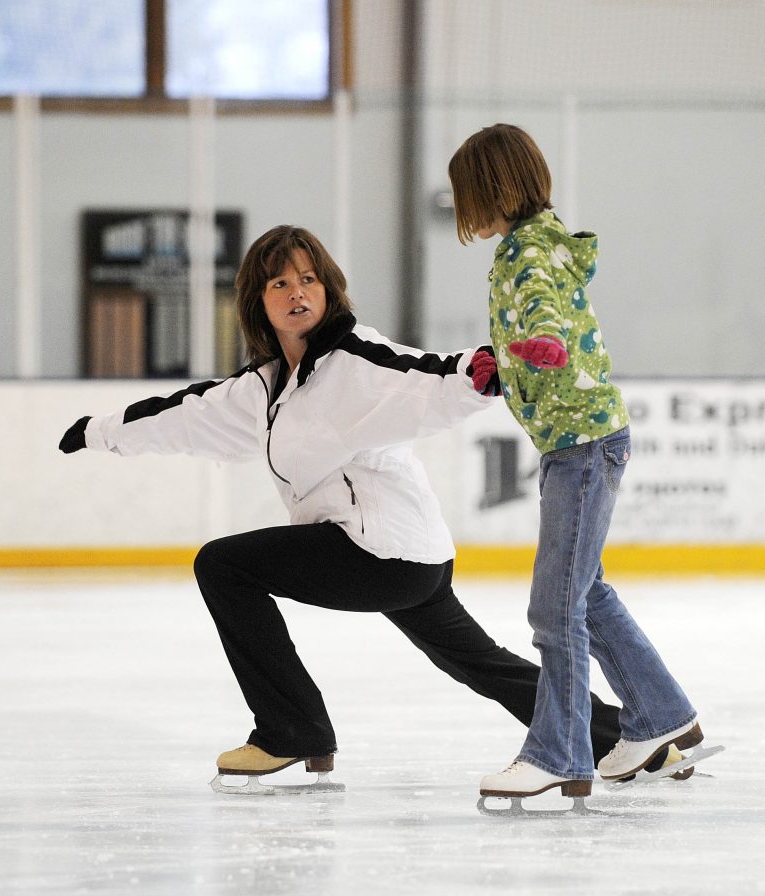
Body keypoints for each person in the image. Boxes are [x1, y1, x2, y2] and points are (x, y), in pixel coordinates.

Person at [59, 224, 625, 786]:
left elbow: (420, 373)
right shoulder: (266, 389)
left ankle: (292, 728)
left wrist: (479, 372)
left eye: (308, 279)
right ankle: (613, 736)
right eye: (279, 283)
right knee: (478, 662)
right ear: (259, 300)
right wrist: (98, 432)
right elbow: (186, 414)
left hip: (378, 550)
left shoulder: (353, 361)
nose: (296, 293)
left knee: (223, 566)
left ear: (328, 289)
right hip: (407, 555)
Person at [448, 124, 705, 803]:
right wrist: (507, 360)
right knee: (583, 591)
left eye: (466, 193)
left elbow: (543, 310)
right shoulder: (534, 244)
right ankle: (660, 715)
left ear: (490, 188)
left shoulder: (530, 252)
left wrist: (538, 342)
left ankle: (559, 750)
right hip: (581, 439)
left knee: (554, 606)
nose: (461, 209)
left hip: (581, 444)